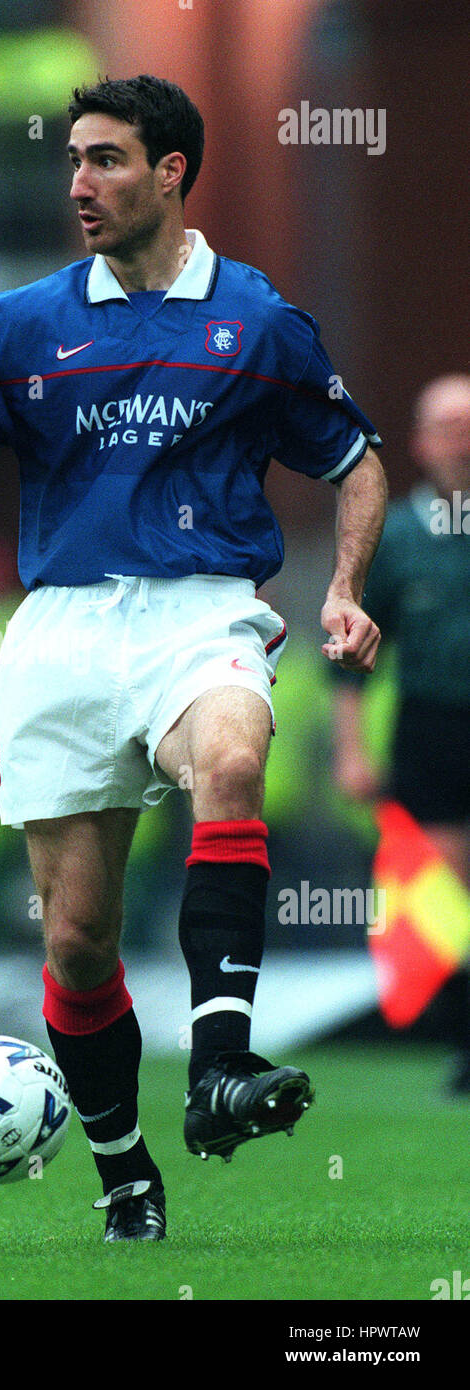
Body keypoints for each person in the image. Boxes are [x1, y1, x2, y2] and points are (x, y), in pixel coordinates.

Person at [0, 74, 386, 1242]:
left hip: (198, 613)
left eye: (103, 160)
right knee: (76, 936)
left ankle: (219, 1068)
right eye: (72, 162)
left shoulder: (253, 319)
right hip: (60, 631)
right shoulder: (20, 321)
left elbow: (353, 459)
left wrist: (342, 588)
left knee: (232, 764)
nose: (78, 184)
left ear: (170, 173)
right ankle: (124, 1173)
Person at [332, 374, 470, 1092]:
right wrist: (352, 750)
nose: (461, 441)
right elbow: (352, 659)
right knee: (444, 892)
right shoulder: (400, 537)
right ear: (420, 443)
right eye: (448, 426)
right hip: (433, 728)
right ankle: (459, 1036)